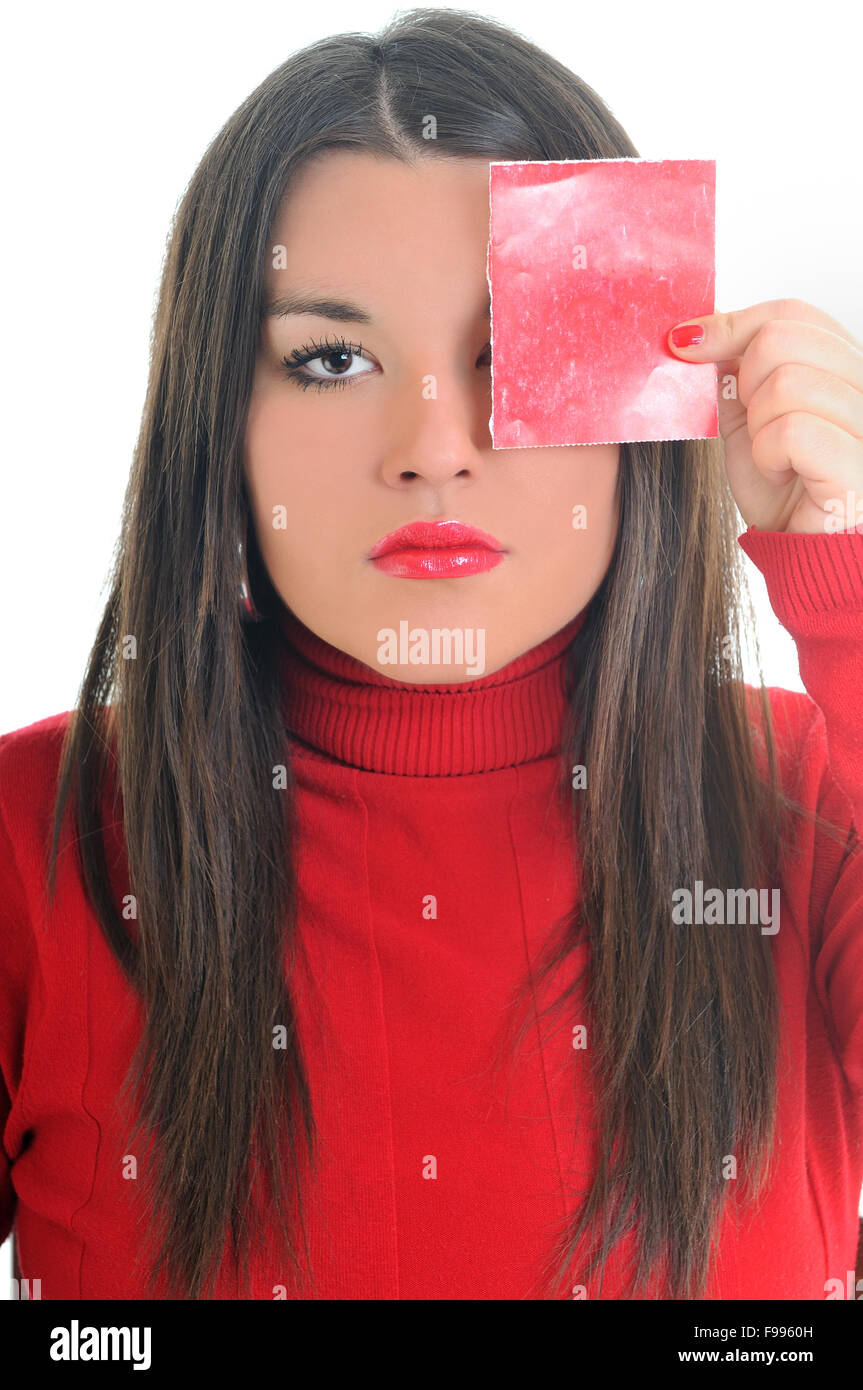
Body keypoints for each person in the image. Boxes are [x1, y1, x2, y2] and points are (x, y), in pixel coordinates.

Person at [1, 7, 862, 1302]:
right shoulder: (32, 842)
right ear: (217, 422)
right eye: (333, 356)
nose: (434, 445)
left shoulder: (810, 800)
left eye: (508, 356)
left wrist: (850, 594)